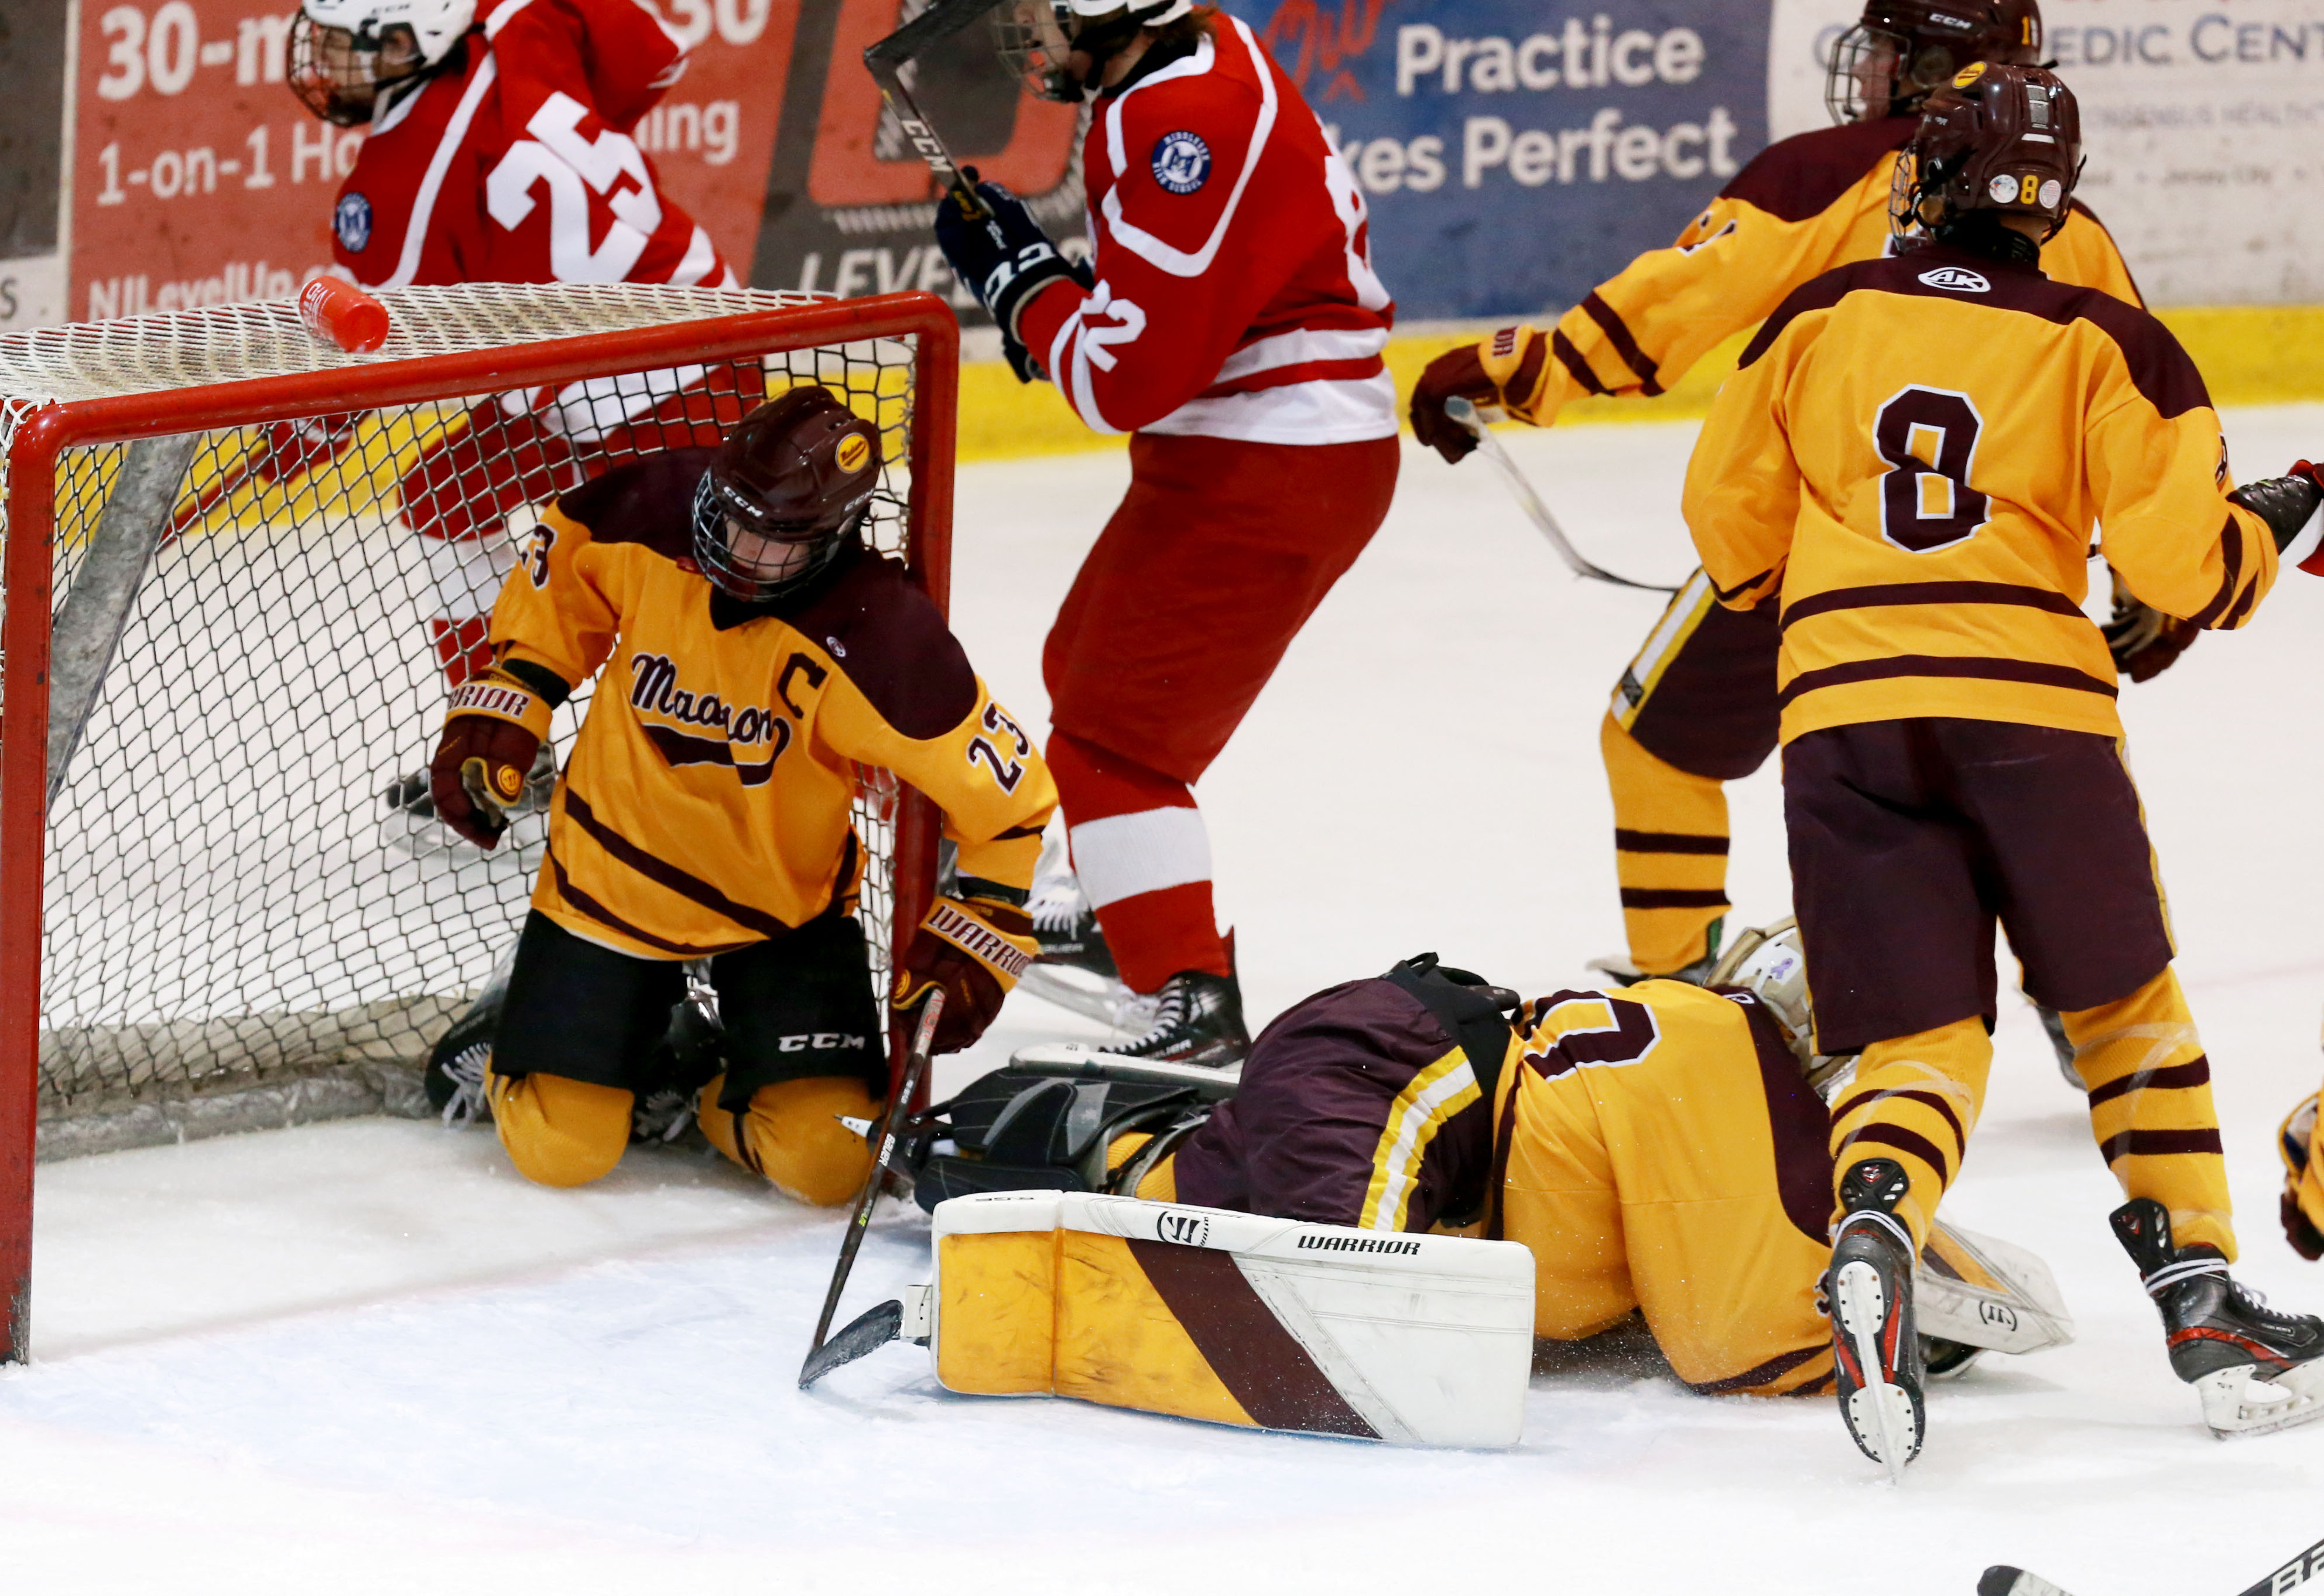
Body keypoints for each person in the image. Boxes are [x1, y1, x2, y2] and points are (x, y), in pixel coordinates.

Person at [1682, 63, 2324, 1469]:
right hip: (2031, 716)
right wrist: (2268, 526)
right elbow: (2178, 569)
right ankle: (2207, 1307)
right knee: (2123, 1016)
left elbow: (1725, 526)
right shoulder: (2108, 342)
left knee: (1919, 1043)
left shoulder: (1821, 314)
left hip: (1842, 718)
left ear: (1933, 176)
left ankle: (1873, 1227)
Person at [1404, 0, 2171, 999]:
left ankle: (1676, 992)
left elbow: (1673, 304)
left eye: (1891, 50)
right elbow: (2147, 417)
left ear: (1936, 63)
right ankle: (2103, 998)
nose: (1870, 72)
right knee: (2041, 761)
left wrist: (1520, 369)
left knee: (1655, 746)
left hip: (1828, 557)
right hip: (2014, 582)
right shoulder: (2079, 235)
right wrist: (2154, 581)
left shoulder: (1826, 173)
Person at [909, 926, 2066, 1403]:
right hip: (1394, 1076)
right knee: (1351, 1320)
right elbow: (1726, 1334)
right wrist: (1880, 1327)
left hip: (1384, 1068)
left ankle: (1067, 1139)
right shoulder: (1737, 1067)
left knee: (1200, 1193)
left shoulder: (1712, 1039)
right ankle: (1019, 1260)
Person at [421, 387, 1058, 1204]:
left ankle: (693, 1073)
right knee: (559, 1148)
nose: (740, 548)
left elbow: (1010, 795)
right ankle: (547, 1027)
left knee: (830, 1164)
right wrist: (515, 688)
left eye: (774, 541)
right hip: (610, 880)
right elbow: (562, 574)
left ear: (833, 537)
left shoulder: (880, 637)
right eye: (733, 518)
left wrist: (987, 917)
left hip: (781, 912)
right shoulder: (650, 507)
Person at [927, 0, 1399, 1066]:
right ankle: (1120, 903)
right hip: (1272, 451)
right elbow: (1163, 315)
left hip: (1273, 463)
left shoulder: (1183, 120)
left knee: (1111, 741)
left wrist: (1020, 286)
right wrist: (1056, 298)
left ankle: (1183, 993)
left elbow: (1124, 380)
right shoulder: (1184, 65)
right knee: (1086, 674)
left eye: (1047, 14)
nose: (1031, 36)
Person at [291, 0, 747, 707]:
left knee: (710, 636)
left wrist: (310, 434)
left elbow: (380, 358)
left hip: (646, 401)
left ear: (414, 40)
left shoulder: (399, 179)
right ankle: (499, 719)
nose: (325, 67)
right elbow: (657, 57)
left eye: (348, 48)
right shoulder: (524, 18)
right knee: (443, 497)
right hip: (700, 326)